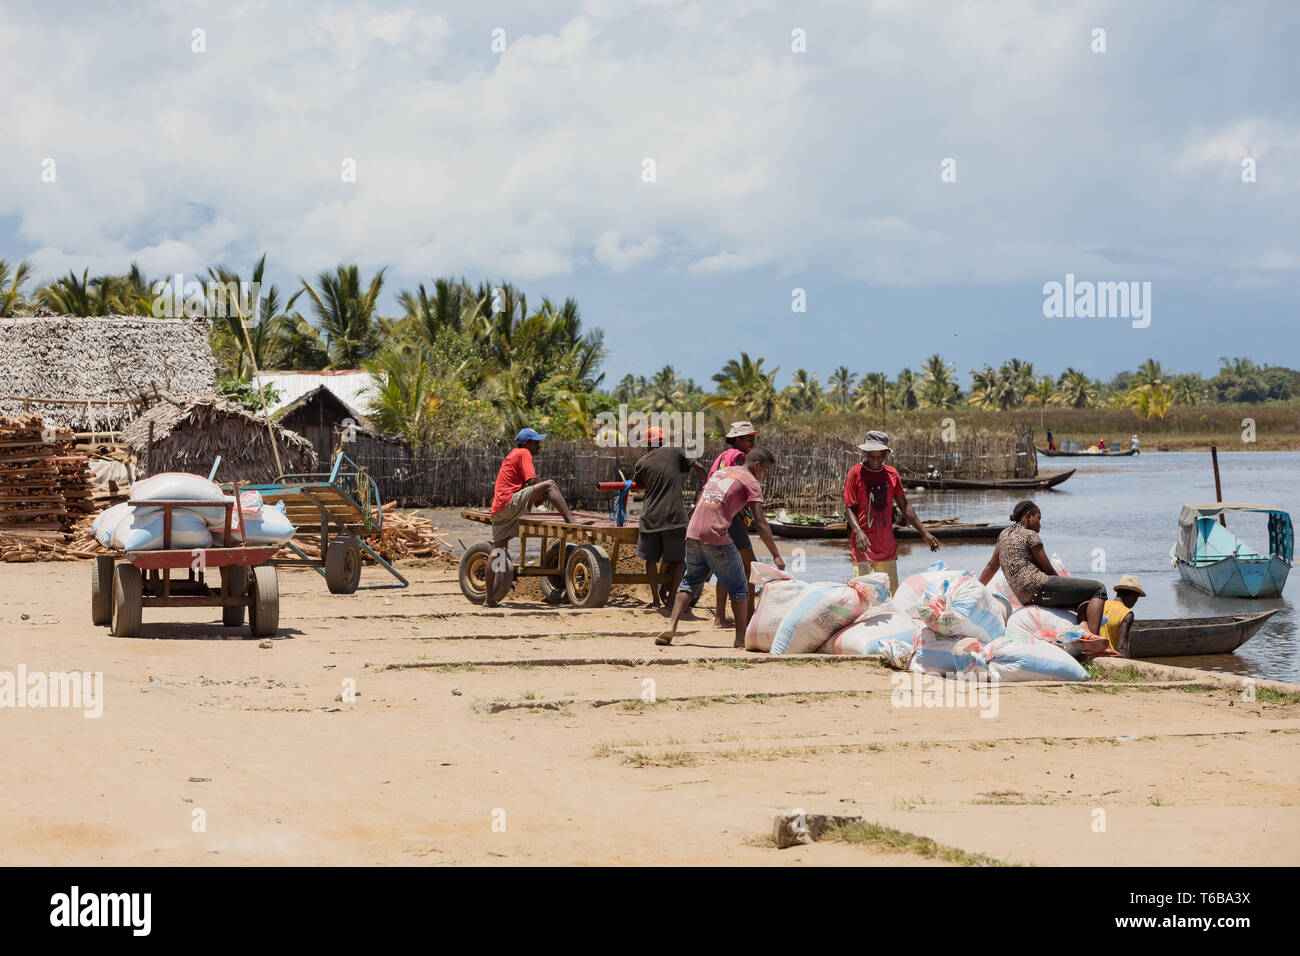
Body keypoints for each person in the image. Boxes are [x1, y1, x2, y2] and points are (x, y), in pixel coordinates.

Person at [657, 447, 783, 649]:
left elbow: (701, 501)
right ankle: (740, 639)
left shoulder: (722, 472)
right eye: (766, 471)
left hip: (693, 532)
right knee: (740, 587)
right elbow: (760, 522)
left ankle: (671, 626)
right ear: (757, 465)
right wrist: (776, 555)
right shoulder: (750, 482)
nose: (765, 476)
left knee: (690, 581)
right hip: (716, 535)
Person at [976, 500, 1118, 657]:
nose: (1040, 524)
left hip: (1026, 597)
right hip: (1040, 585)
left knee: (1082, 603)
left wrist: (976, 588)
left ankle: (1086, 633)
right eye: (1039, 518)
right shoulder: (1031, 535)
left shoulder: (1003, 535)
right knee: (1098, 589)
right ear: (1028, 515)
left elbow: (991, 567)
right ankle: (1094, 648)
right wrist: (1064, 585)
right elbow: (1049, 569)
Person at [484, 428, 586, 607]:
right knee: (550, 485)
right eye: (536, 442)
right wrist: (539, 500)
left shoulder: (514, 454)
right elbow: (532, 482)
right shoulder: (523, 453)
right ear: (525, 444)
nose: (539, 445)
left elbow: (527, 487)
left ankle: (489, 599)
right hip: (509, 501)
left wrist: (537, 501)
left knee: (496, 551)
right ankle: (571, 520)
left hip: (499, 508)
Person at [843, 431, 939, 593]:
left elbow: (905, 506)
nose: (875, 461)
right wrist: (858, 531)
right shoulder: (855, 473)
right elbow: (849, 507)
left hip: (886, 545)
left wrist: (924, 532)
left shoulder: (891, 474)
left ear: (886, 454)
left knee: (891, 593)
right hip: (863, 545)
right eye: (871, 457)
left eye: (880, 457)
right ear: (865, 453)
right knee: (864, 594)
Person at [632, 426, 707, 609]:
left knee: (651, 560)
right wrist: (708, 484)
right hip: (675, 518)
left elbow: (637, 485)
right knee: (679, 562)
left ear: (648, 444)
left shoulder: (642, 462)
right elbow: (699, 467)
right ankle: (672, 600)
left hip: (651, 519)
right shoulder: (676, 452)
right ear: (663, 441)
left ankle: (655, 600)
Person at [707, 421, 758, 628]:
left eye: (753, 439)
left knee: (726, 567)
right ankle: (749, 617)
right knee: (750, 566)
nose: (752, 443)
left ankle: (720, 617)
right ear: (737, 440)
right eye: (748, 439)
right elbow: (738, 485)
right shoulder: (738, 457)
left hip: (718, 513)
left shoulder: (721, 457)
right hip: (731, 516)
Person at [1100, 575, 1144, 656]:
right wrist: (1128, 666)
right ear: (1131, 595)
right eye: (1136, 598)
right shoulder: (1127, 613)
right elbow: (1122, 648)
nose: (1135, 602)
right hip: (1112, 658)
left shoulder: (1101, 605)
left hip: (1096, 655)